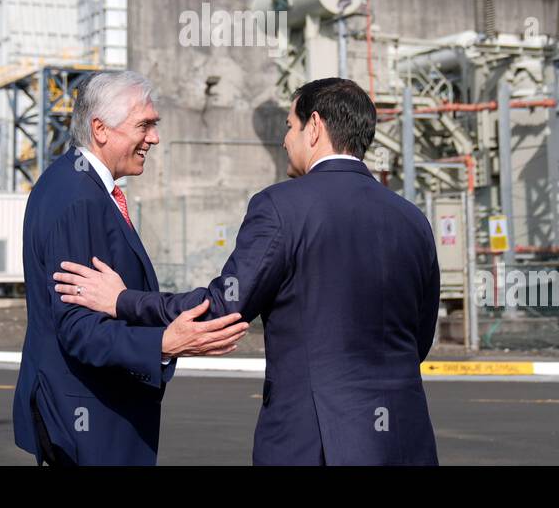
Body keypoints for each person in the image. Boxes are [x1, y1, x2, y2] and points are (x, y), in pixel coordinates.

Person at [55, 77, 441, 465]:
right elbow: (419, 338)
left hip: (315, 441)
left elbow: (223, 306)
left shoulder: (282, 207)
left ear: (316, 127)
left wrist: (122, 301)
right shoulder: (413, 220)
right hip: (405, 439)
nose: (285, 140)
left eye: (290, 127)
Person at [12, 70, 248, 465]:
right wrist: (163, 344)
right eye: (145, 125)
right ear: (100, 129)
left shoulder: (72, 182)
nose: (153, 137)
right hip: (88, 420)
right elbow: (78, 327)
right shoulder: (78, 199)